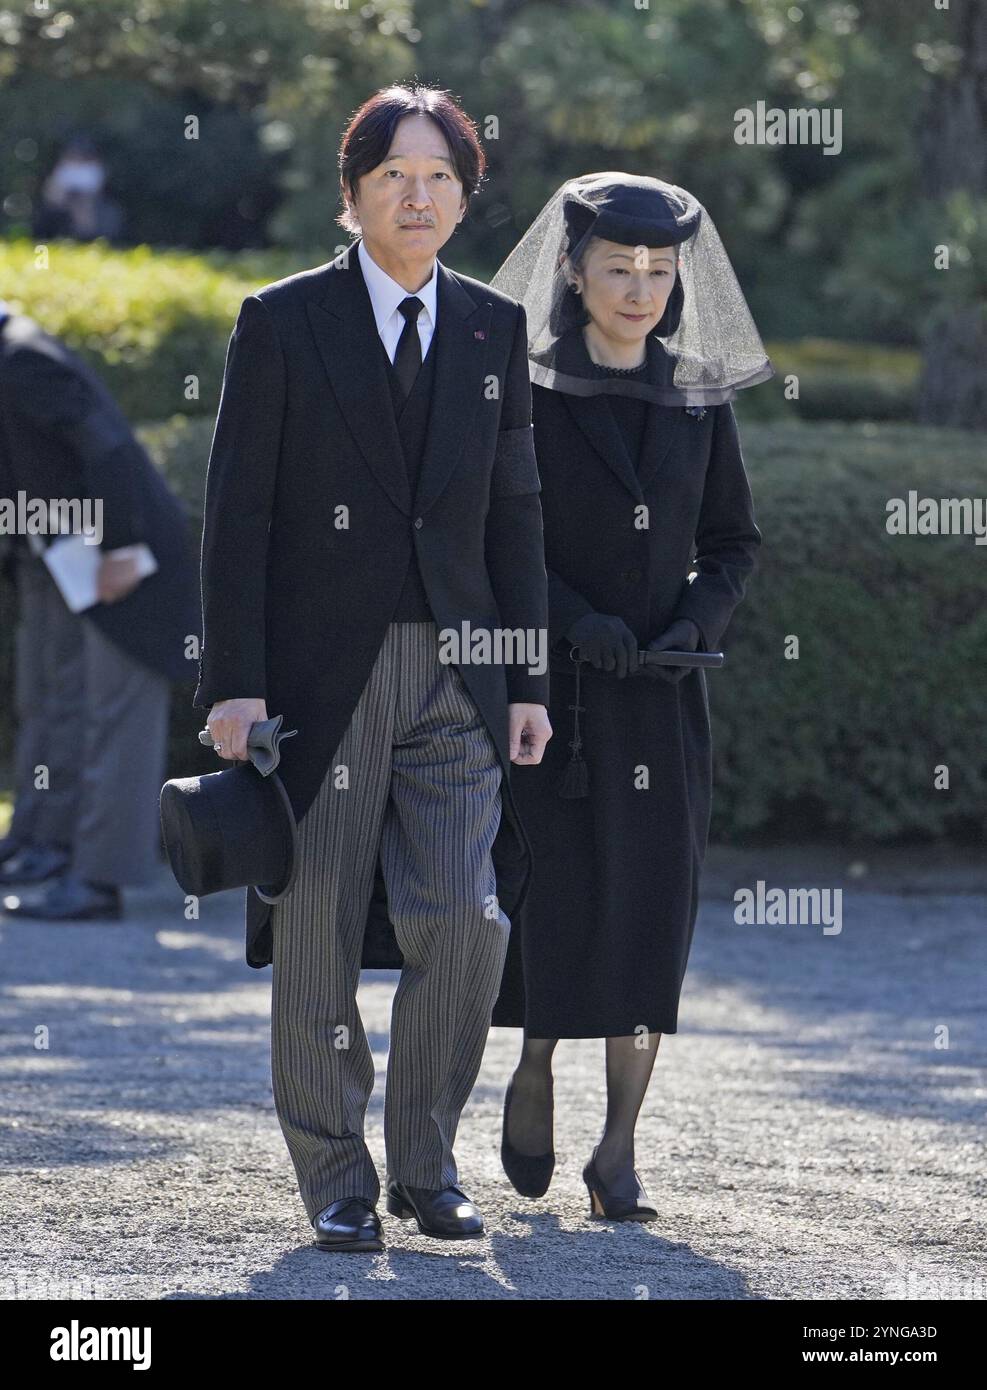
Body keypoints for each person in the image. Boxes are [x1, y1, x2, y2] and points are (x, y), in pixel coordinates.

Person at [194, 84, 551, 1253]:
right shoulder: (283, 321)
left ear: (464, 196)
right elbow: (236, 512)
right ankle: (335, 1175)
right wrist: (234, 687)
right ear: (351, 195)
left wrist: (529, 679)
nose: (418, 194)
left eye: (441, 175)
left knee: (467, 918)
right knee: (321, 929)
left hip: (460, 676)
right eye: (395, 174)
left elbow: (517, 517)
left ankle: (426, 1159)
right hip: (317, 684)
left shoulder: (499, 328)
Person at [489, 173, 772, 1219]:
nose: (641, 288)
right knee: (559, 901)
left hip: (665, 694)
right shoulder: (529, 387)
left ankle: (619, 1151)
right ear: (575, 271)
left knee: (651, 918)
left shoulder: (698, 393)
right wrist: (572, 618)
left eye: (659, 271)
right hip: (555, 700)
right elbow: (499, 534)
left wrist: (695, 622)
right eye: (619, 269)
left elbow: (733, 541)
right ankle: (532, 1065)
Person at [0, 300, 200, 918]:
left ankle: (98, 882)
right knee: (57, 697)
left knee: (117, 713)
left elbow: (108, 449)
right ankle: (45, 845)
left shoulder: (24, 357)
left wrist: (122, 547)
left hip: (120, 555)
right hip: (61, 552)